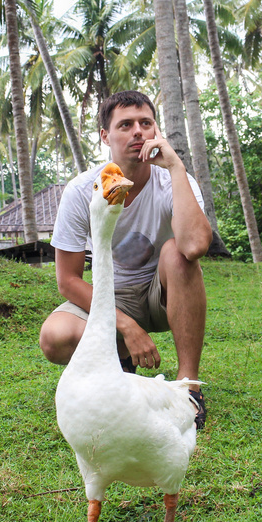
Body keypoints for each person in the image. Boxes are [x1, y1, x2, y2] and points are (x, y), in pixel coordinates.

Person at [39, 90, 212, 428]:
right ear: (105, 136)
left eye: (146, 123)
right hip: (107, 297)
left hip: (160, 296)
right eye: (125, 125)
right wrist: (125, 325)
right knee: (54, 338)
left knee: (176, 254)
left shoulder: (175, 180)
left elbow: (195, 247)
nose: (138, 132)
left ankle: (189, 386)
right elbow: (68, 279)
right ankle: (121, 361)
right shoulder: (82, 190)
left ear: (156, 131)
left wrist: (175, 166)